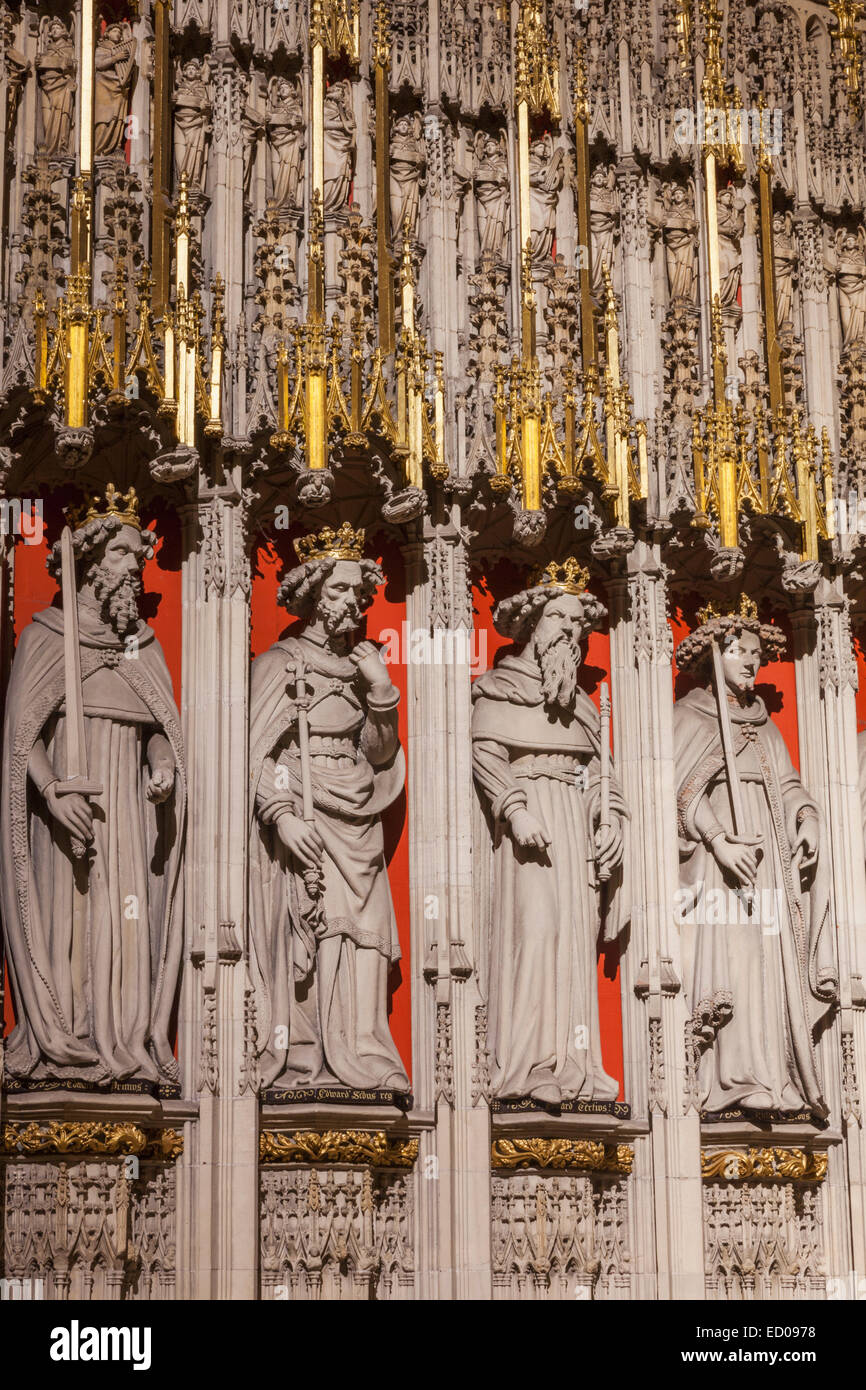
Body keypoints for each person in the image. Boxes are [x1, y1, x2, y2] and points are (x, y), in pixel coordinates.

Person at [0, 487, 185, 1086]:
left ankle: (126, 1039)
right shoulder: (45, 638)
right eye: (126, 554)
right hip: (66, 821)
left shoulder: (141, 648)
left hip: (126, 814)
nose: (136, 566)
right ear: (93, 559)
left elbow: (158, 727)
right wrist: (53, 792)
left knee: (126, 923)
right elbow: (21, 737)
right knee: (72, 925)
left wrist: (162, 765)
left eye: (139, 556)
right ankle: (66, 1038)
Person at [248, 523, 409, 1093]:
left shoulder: (360, 667)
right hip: (307, 807)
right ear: (315, 592)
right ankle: (307, 1054)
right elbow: (253, 753)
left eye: (358, 594)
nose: (352, 604)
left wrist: (381, 688)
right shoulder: (280, 664)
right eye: (339, 591)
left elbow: (379, 751)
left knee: (365, 932)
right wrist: (282, 813)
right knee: (315, 929)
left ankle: (362, 1050)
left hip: (357, 811)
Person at [471, 559, 629, 1104]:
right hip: (527, 826)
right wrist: (515, 809)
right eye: (559, 618)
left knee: (572, 940)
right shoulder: (497, 689)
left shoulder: (583, 706)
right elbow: (486, 752)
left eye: (578, 626)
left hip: (570, 827)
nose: (570, 632)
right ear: (533, 623)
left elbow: (598, 778)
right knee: (535, 930)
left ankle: (571, 1062)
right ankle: (526, 1063)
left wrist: (610, 822)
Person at [674, 595, 837, 1116]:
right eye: (738, 651)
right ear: (712, 656)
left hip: (768, 861)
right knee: (734, 963)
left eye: (756, 655)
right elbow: (678, 792)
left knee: (770, 967)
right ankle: (730, 1078)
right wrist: (719, 840)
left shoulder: (765, 726)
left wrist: (806, 817)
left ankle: (772, 1074)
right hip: (720, 868)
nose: (750, 661)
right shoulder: (688, 716)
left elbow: (787, 784)